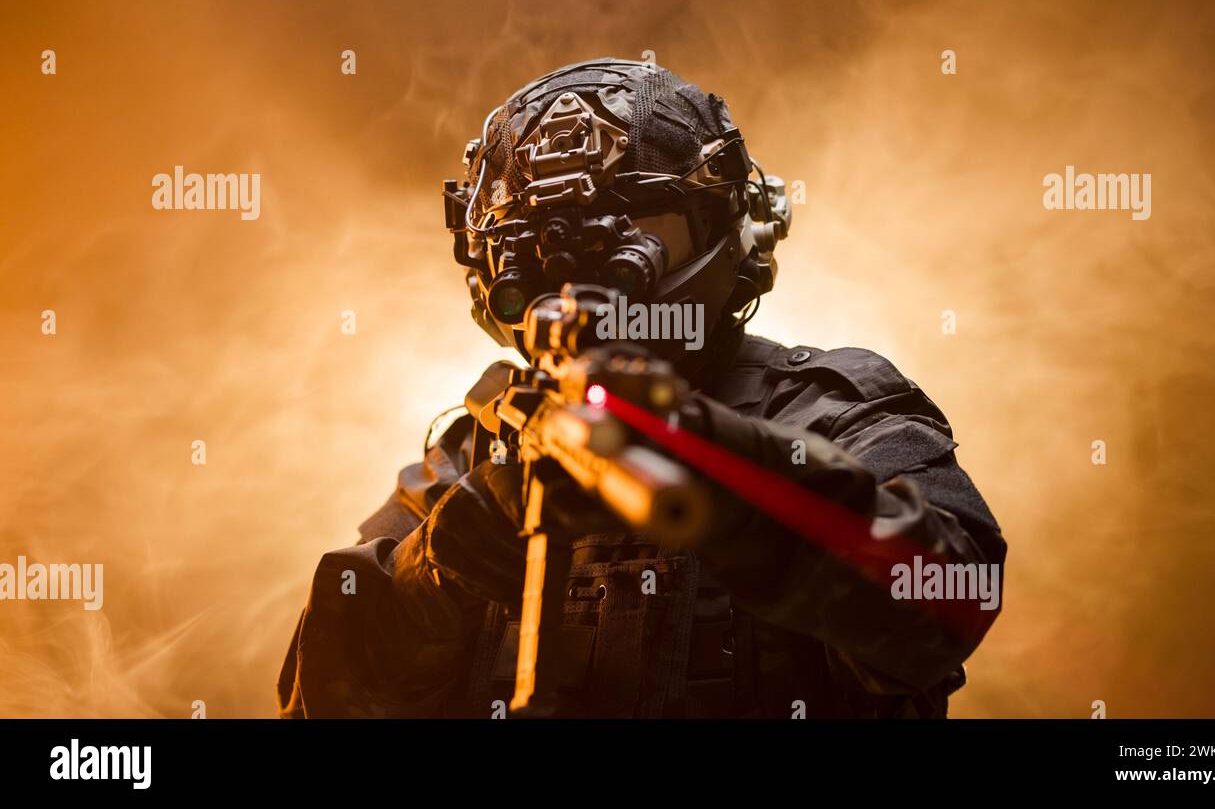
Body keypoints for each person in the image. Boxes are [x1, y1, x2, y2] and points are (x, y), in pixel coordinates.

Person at [277, 58, 1006, 718]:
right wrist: (432, 574)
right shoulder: (478, 445)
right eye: (534, 252)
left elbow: (952, 595)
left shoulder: (825, 407)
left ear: (723, 227)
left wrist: (718, 474)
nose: (580, 282)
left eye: (631, 240)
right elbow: (315, 702)